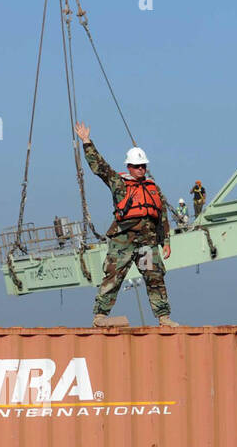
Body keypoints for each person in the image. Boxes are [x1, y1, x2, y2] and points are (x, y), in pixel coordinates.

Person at [73, 121, 179, 328]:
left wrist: (166, 241)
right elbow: (99, 167)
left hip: (146, 245)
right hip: (124, 241)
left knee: (154, 276)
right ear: (129, 166)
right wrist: (86, 141)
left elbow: (162, 216)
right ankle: (100, 316)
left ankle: (163, 317)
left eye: (143, 166)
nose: (141, 169)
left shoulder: (152, 188)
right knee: (114, 276)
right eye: (137, 166)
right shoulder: (118, 182)